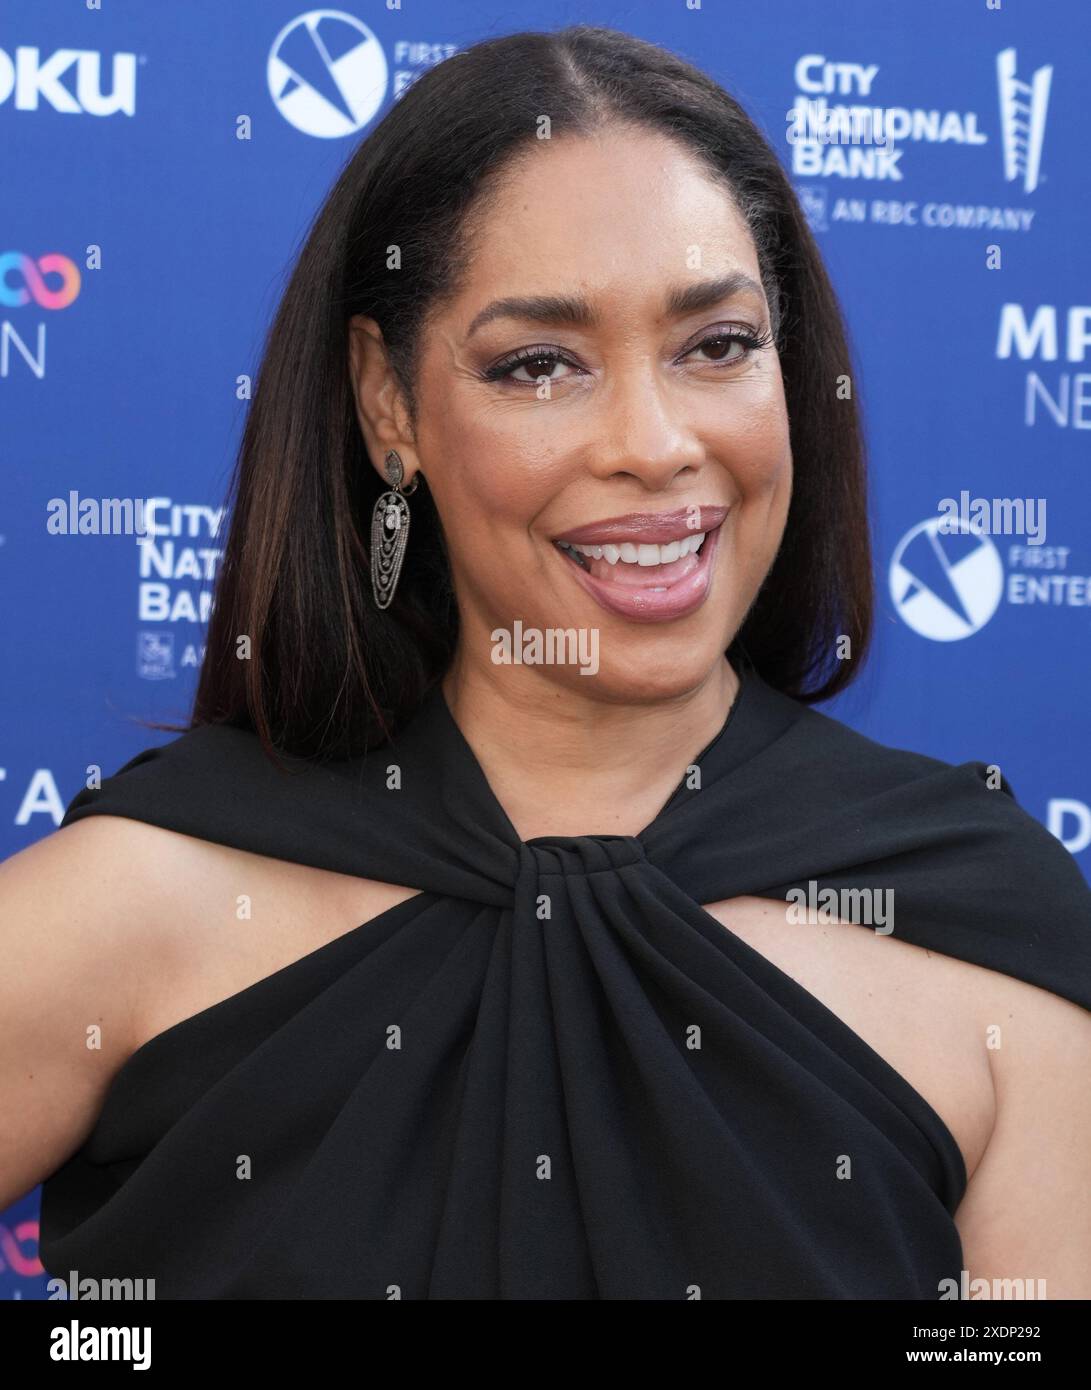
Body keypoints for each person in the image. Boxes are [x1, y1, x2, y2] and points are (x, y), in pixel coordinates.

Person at [2, 25, 1089, 1300]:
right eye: (538, 365)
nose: (652, 441)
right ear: (387, 405)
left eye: (717, 344)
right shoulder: (145, 900)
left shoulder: (978, 920)